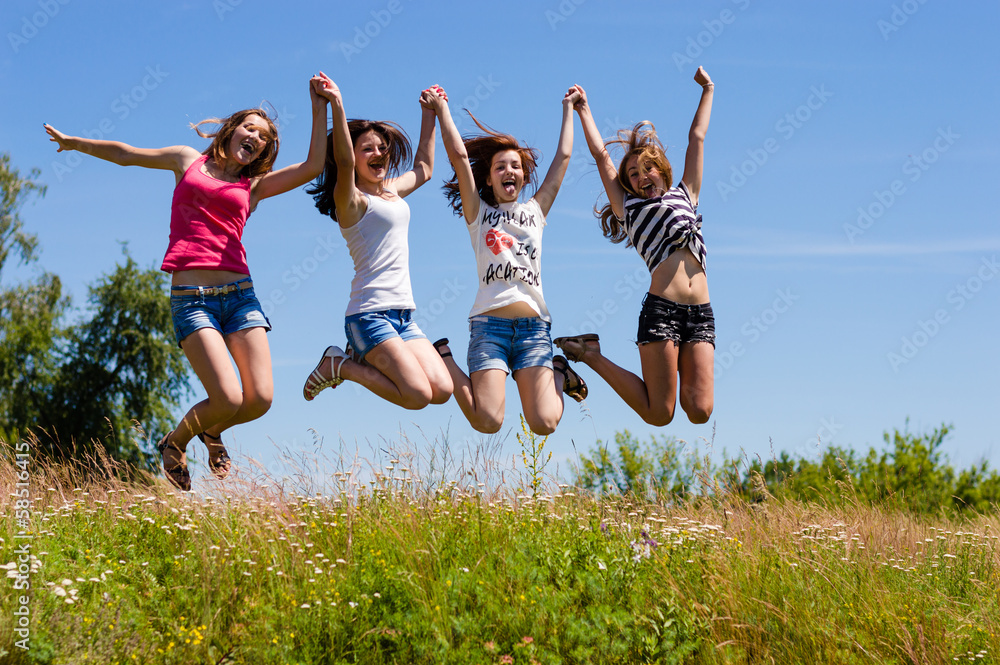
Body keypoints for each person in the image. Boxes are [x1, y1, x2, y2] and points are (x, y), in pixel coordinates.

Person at [44, 73, 333, 490]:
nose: (255, 137)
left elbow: (312, 166)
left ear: (263, 151)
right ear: (232, 130)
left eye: (264, 137)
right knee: (228, 397)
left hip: (241, 298)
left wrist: (320, 105)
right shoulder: (187, 160)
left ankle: (211, 431)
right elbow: (127, 154)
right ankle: (174, 442)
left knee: (259, 400)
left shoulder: (253, 186)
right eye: (250, 127)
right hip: (192, 299)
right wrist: (76, 144)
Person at [557, 67, 715, 426]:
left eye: (648, 168)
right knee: (659, 414)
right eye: (633, 174)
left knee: (700, 411)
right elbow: (601, 156)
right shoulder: (628, 209)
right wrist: (583, 109)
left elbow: (697, 137)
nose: (642, 176)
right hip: (663, 312)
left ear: (662, 169)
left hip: (701, 314)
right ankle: (590, 354)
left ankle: (594, 354)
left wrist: (707, 89)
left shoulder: (686, 194)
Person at [427, 88, 587, 436]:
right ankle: (442, 356)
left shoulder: (535, 212)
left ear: (524, 177)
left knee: (544, 423)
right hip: (490, 328)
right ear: (489, 178)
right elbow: (459, 158)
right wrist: (442, 110)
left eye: (515, 166)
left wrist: (569, 109)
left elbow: (563, 157)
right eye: (500, 167)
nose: (508, 170)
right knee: (487, 421)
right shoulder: (479, 215)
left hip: (534, 330)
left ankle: (560, 371)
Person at [301, 81, 453, 410]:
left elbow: (425, 169)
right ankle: (340, 365)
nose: (378, 153)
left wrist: (428, 113)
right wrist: (336, 104)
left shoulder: (391, 192)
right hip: (368, 315)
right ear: (353, 157)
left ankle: (358, 356)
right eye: (367, 149)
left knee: (441, 390)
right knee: (417, 396)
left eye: (382, 147)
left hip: (403, 315)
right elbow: (343, 163)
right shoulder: (351, 201)